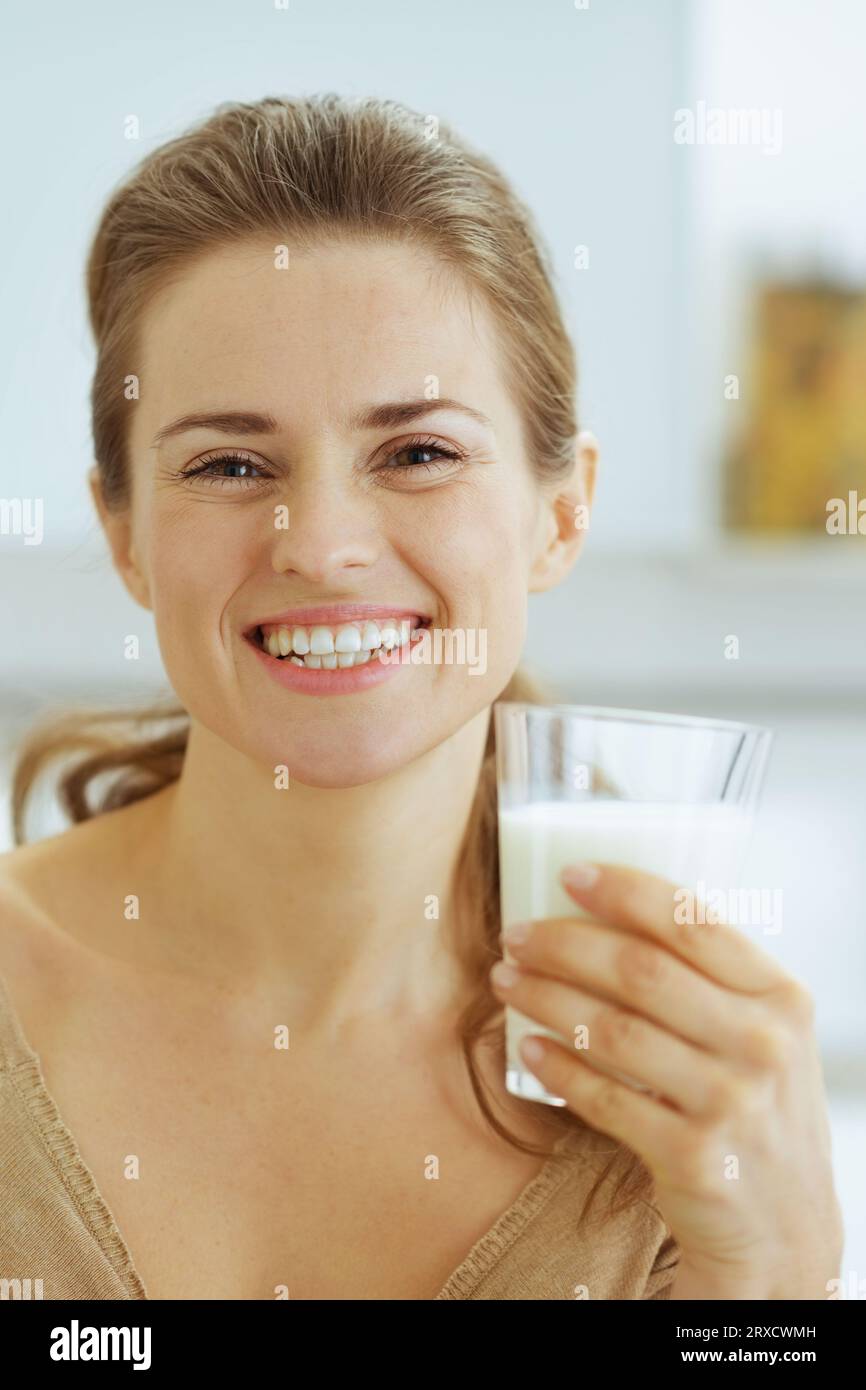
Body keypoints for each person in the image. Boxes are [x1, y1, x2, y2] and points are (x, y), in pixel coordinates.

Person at [0, 95, 842, 1301]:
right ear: (124, 536)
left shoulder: (686, 1090)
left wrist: (773, 1285)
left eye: (418, 453)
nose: (324, 545)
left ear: (560, 512)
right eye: (230, 465)